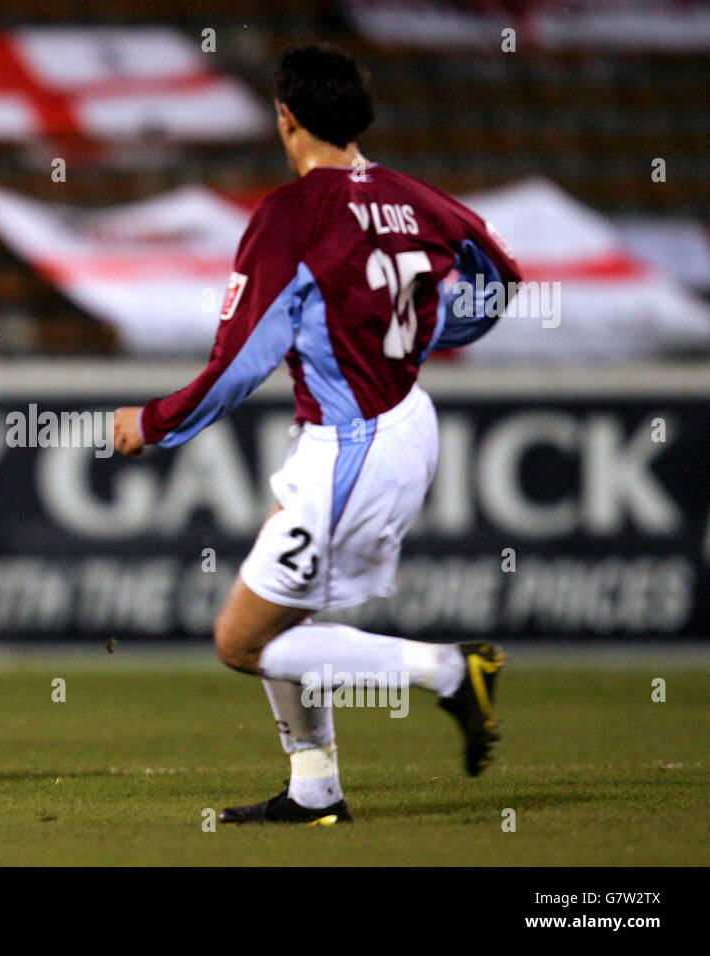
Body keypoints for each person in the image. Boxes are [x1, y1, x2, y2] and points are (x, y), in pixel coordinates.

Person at [112, 44, 523, 824]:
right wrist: (425, 331)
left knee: (242, 641)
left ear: (286, 117)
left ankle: (448, 670)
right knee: (280, 614)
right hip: (397, 418)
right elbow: (502, 275)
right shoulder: (416, 199)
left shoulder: (294, 215)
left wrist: (155, 421)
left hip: (356, 441)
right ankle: (314, 790)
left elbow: (238, 365)